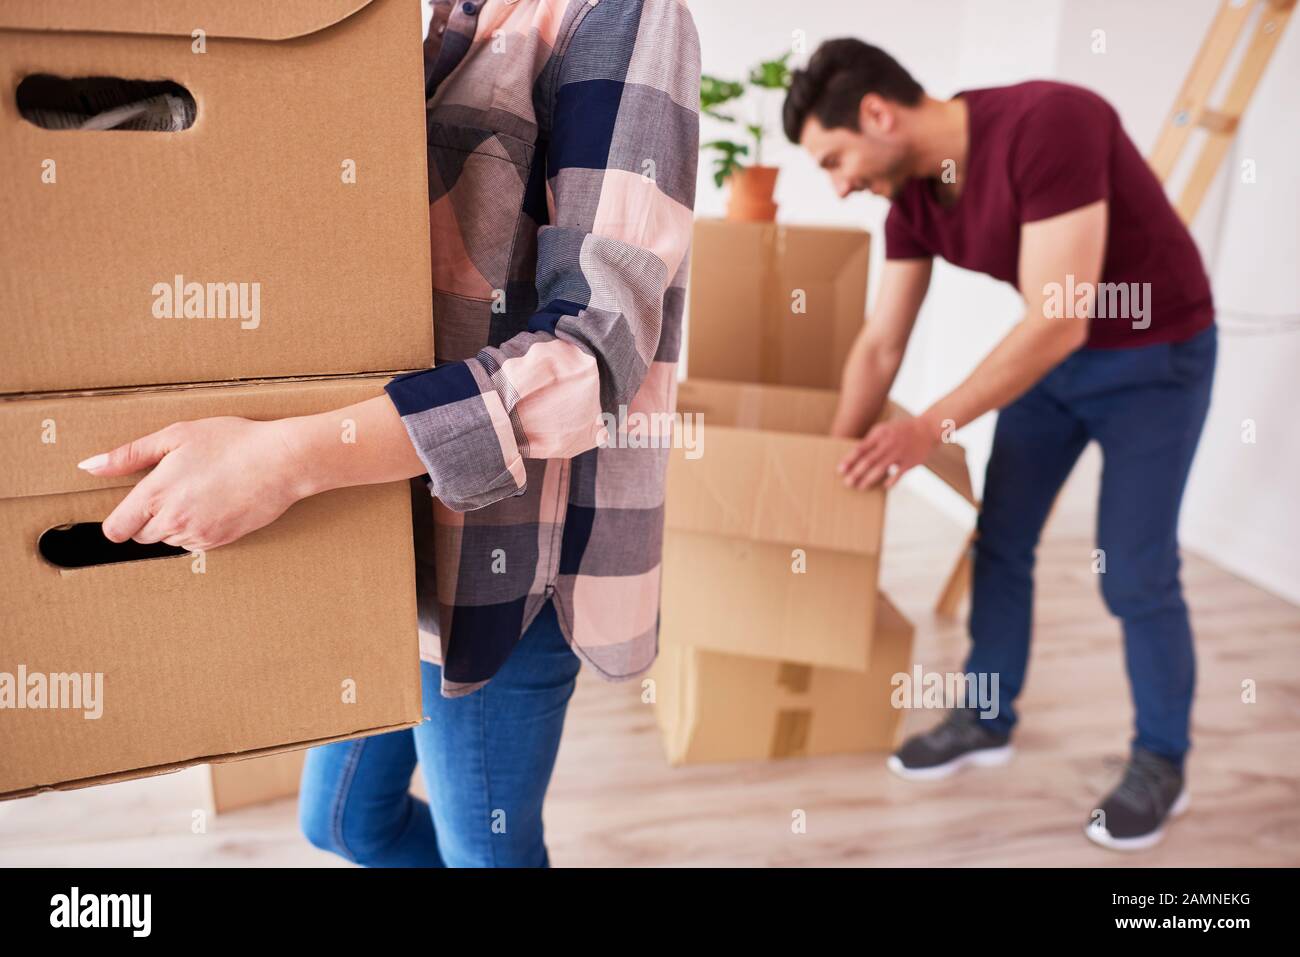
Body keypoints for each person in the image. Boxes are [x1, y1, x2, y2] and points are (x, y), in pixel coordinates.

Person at [79, 0, 700, 867]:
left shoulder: (622, 16)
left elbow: (587, 359)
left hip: (507, 558)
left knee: (487, 851)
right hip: (387, 530)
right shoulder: (432, 16)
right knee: (343, 822)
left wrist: (290, 458)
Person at [783, 39, 1216, 851]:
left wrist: (924, 429)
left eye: (835, 158)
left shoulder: (1049, 123)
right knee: (1001, 541)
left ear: (878, 114)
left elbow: (1058, 317)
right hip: (1054, 362)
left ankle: (1163, 759)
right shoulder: (912, 198)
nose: (839, 183)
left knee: (1134, 570)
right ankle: (986, 716)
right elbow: (882, 343)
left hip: (1156, 358)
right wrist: (826, 468)